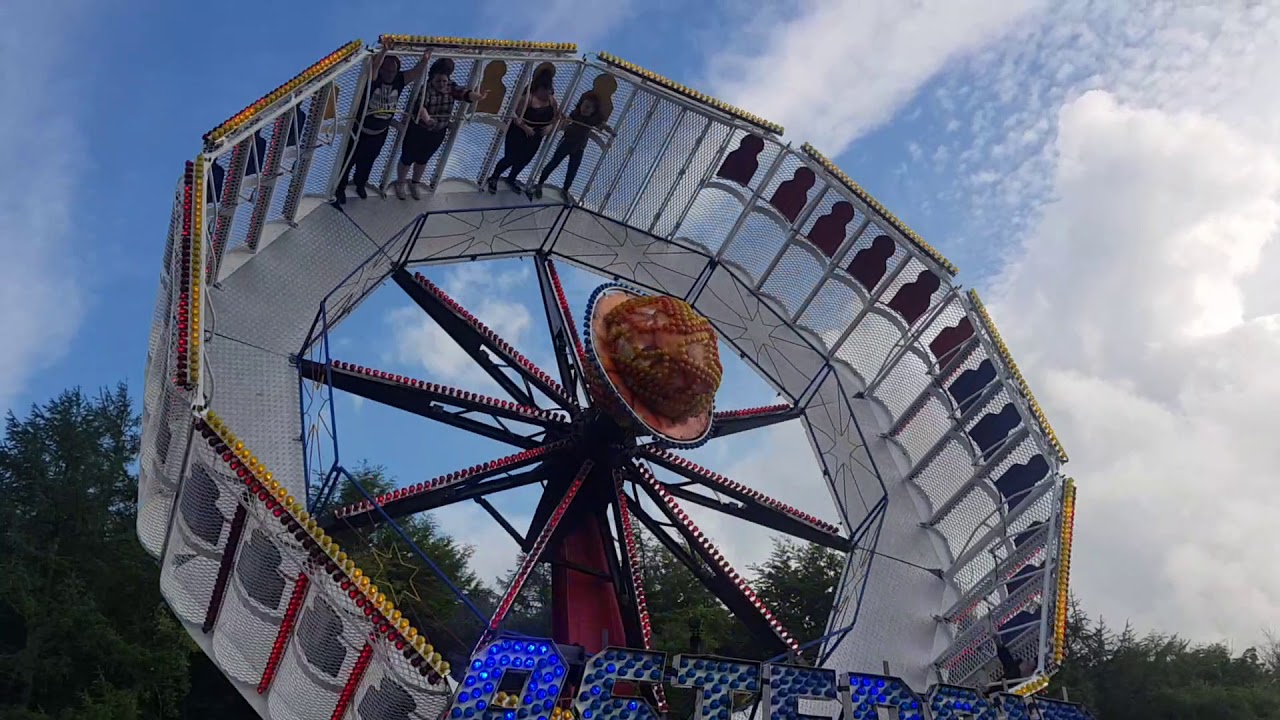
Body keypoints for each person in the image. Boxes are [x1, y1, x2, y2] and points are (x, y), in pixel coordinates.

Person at [333, 44, 432, 205]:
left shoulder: (399, 79)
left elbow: (415, 73)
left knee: (368, 161)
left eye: (392, 71)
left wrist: (425, 60)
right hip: (360, 131)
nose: (389, 74)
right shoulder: (374, 79)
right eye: (386, 70)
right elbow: (374, 68)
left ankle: (360, 184)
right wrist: (384, 50)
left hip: (379, 132)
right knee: (348, 160)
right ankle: (340, 189)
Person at [393, 58, 487, 200]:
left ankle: (415, 183)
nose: (443, 84)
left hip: (437, 132)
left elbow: (463, 93)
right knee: (408, 157)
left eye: (445, 80)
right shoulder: (426, 90)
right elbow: (420, 106)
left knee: (423, 159)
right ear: (433, 79)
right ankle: (400, 183)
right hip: (419, 131)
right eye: (439, 81)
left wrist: (476, 96)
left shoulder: (450, 87)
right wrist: (427, 119)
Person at [529, 90, 614, 203]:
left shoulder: (594, 120)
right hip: (566, 143)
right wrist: (564, 122)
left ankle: (565, 190)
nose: (584, 109)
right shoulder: (575, 114)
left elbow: (603, 126)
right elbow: (567, 121)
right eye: (583, 106)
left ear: (593, 110)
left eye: (588, 107)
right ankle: (540, 183)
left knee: (572, 170)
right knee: (554, 163)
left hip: (579, 147)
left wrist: (611, 131)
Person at [486, 71, 557, 193]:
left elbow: (557, 116)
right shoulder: (527, 99)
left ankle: (511, 178)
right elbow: (514, 115)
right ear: (537, 88)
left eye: (549, 90)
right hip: (518, 134)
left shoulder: (552, 101)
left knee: (525, 160)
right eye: (544, 90)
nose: (547, 93)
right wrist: (525, 127)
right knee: (511, 158)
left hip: (536, 136)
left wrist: (550, 126)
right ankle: (494, 177)